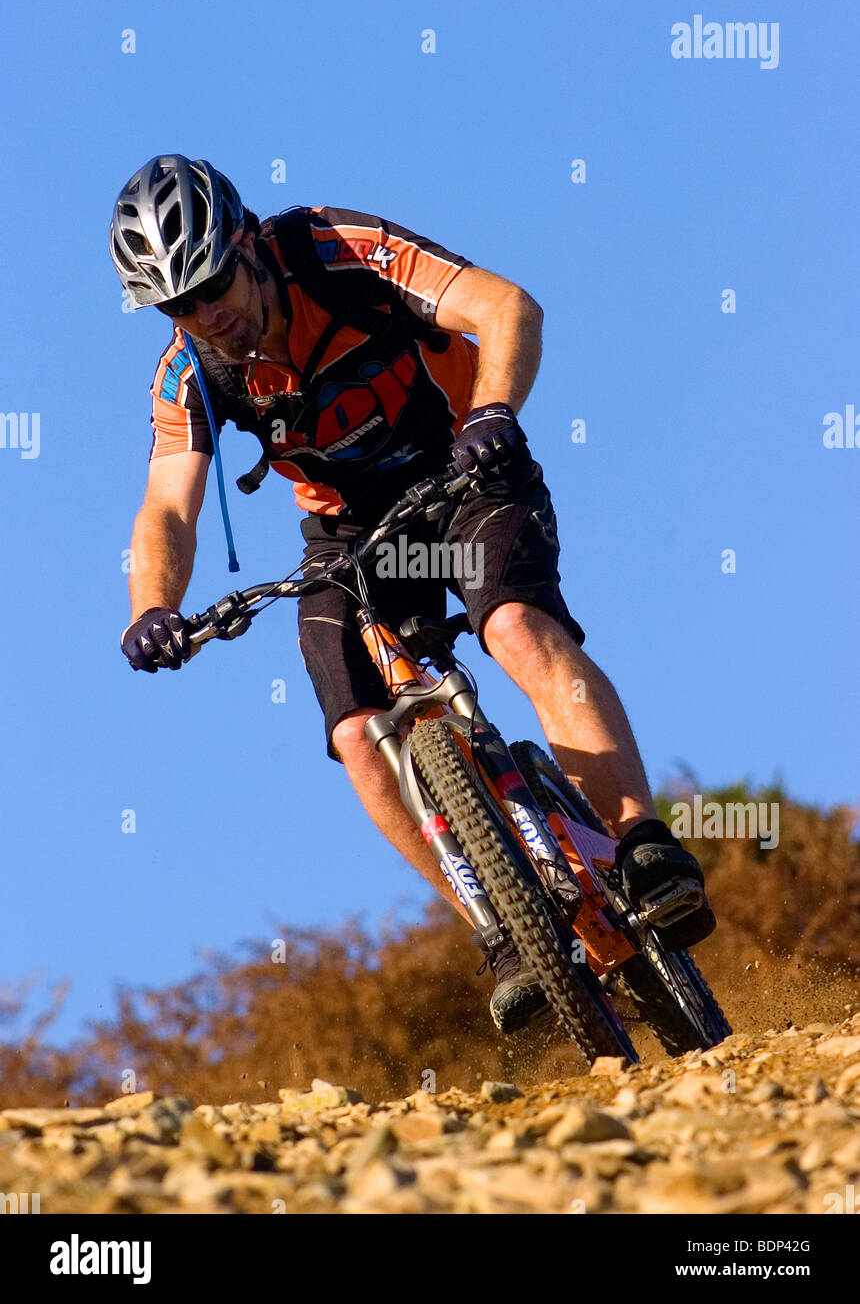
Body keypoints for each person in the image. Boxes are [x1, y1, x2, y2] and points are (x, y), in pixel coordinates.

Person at [111, 155, 715, 1034]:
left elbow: (507, 306)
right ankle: (499, 928)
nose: (206, 315)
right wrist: (151, 608)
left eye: (211, 286)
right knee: (357, 735)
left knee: (514, 626)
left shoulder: (332, 251)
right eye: (178, 306)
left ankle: (640, 844)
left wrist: (495, 412)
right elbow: (168, 506)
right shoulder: (190, 373)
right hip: (350, 534)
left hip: (465, 470)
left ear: (246, 245)